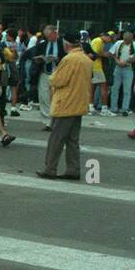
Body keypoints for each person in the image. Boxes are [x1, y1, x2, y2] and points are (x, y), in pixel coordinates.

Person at [37, 30, 93, 180]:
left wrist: (54, 73)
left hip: (66, 103)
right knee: (73, 139)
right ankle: (73, 169)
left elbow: (56, 80)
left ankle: (50, 169)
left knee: (56, 138)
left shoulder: (69, 60)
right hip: (79, 103)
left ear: (66, 44)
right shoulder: (86, 59)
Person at [21, 24, 61, 129]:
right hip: (44, 72)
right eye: (47, 36)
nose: (49, 38)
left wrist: (58, 59)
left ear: (55, 33)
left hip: (58, 73)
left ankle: (57, 120)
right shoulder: (42, 45)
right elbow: (29, 54)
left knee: (57, 97)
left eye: (51, 36)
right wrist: (38, 59)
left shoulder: (62, 44)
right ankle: (48, 122)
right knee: (44, 96)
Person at [108, 28, 135, 115]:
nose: (126, 40)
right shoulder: (118, 43)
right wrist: (116, 60)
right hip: (118, 67)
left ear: (131, 37)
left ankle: (124, 108)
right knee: (115, 88)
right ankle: (113, 108)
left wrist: (127, 61)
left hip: (128, 68)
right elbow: (111, 53)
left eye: (128, 39)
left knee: (127, 90)